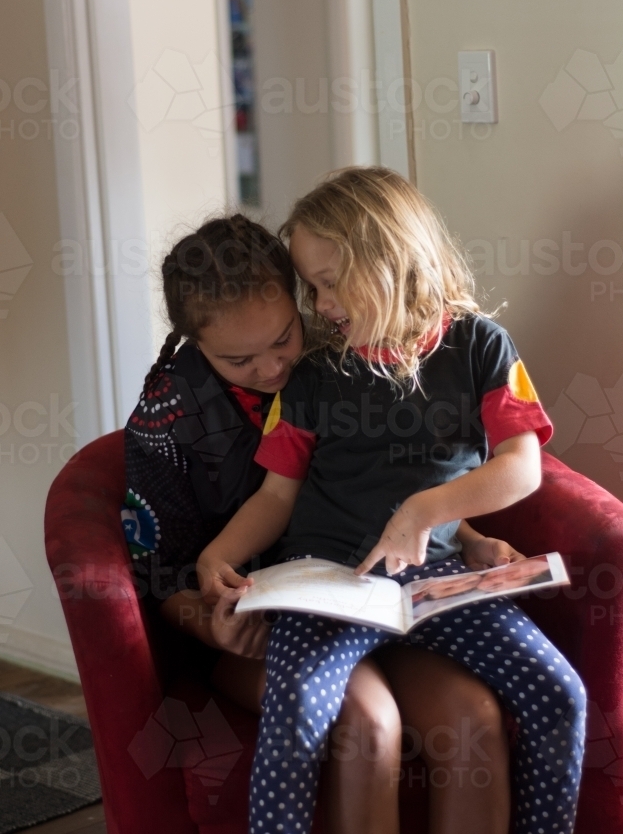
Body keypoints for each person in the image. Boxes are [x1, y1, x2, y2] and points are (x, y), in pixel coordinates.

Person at [197, 170, 587, 834]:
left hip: (434, 585)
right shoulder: (313, 376)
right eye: (311, 286)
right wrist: (217, 556)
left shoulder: (479, 347)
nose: (319, 305)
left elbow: (520, 468)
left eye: (327, 282)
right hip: (330, 582)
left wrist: (423, 513)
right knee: (300, 710)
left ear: (386, 257)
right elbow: (276, 495)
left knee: (559, 694)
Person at [125, 213, 515, 834]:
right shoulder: (168, 417)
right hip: (261, 626)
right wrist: (211, 626)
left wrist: (465, 537)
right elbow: (156, 568)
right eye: (239, 358)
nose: (272, 368)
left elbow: (403, 479)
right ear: (194, 343)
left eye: (284, 338)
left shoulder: (348, 352)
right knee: (368, 725)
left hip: (378, 595)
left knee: (472, 716)